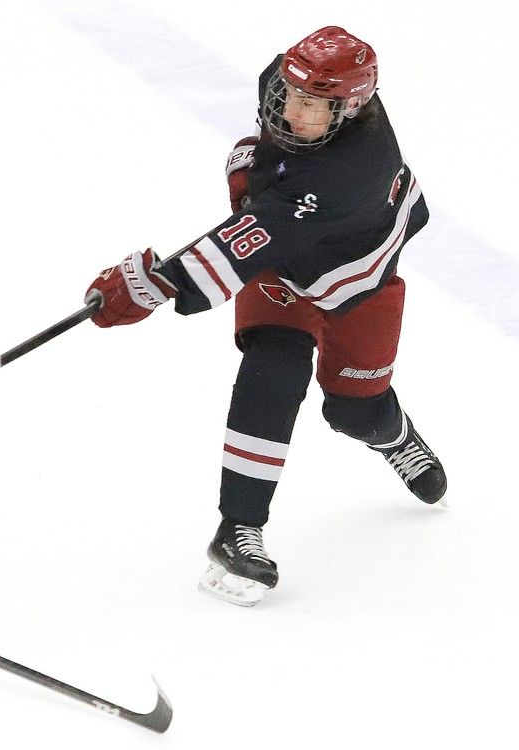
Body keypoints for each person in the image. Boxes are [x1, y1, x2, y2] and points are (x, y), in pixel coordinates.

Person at [84, 26, 447, 606]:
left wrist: (149, 284)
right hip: (285, 267)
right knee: (273, 370)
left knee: (356, 412)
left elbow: (247, 238)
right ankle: (238, 530)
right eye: (288, 92)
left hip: (357, 281)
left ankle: (395, 436)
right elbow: (263, 220)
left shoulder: (350, 171)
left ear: (350, 109)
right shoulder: (296, 84)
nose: (286, 108)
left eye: (308, 105)